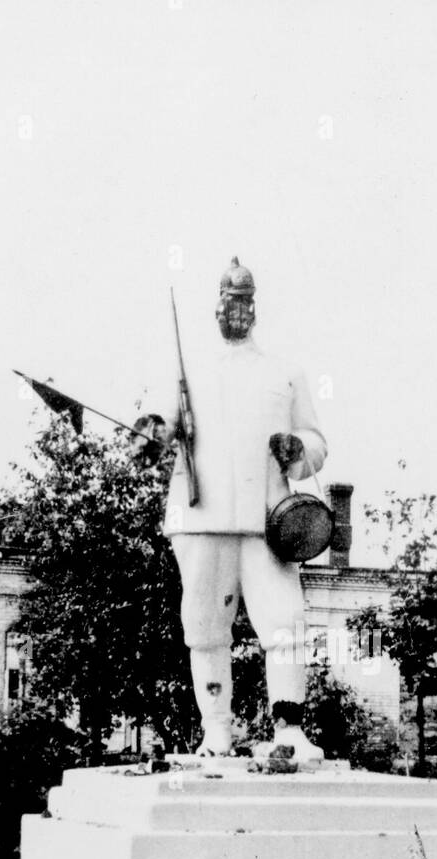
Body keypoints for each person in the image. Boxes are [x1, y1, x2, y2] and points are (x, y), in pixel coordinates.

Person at [154, 257, 328, 760]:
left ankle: (289, 732)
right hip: (202, 516)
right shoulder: (189, 370)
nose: (236, 311)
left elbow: (316, 442)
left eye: (244, 302)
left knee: (286, 622)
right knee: (205, 627)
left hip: (268, 521)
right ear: (216, 307)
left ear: (255, 309)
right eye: (229, 302)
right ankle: (216, 732)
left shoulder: (285, 372)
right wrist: (149, 433)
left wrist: (297, 447)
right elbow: (160, 424)